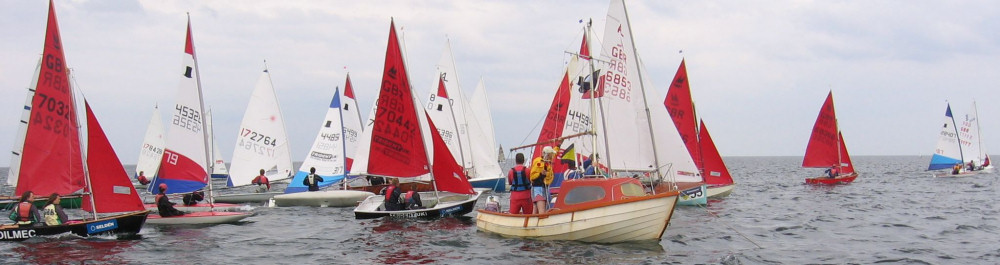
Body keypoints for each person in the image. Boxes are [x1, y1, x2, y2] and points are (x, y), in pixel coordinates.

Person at [530, 146, 556, 214]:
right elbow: (532, 176)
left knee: (536, 208)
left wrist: (559, 145)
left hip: (545, 188)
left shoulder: (547, 162)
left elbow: (555, 152)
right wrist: (540, 174)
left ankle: (533, 223)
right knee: (541, 210)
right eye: (551, 154)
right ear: (547, 154)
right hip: (538, 188)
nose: (552, 156)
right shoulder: (538, 162)